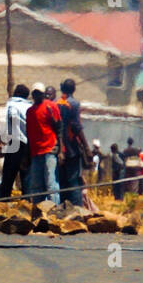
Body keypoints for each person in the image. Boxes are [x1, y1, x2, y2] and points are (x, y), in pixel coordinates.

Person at [26, 80, 63, 205]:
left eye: (39, 93)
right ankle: (38, 210)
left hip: (49, 149)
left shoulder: (50, 107)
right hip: (36, 152)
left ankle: (55, 211)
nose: (37, 95)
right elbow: (29, 132)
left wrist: (60, 149)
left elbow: (59, 128)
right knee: (36, 185)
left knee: (51, 184)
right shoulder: (30, 111)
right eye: (35, 93)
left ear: (43, 94)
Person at [56, 78, 91, 206]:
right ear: (74, 89)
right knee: (74, 180)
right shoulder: (74, 104)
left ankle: (63, 208)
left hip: (59, 148)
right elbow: (76, 127)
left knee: (62, 180)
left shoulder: (56, 103)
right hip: (71, 148)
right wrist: (86, 147)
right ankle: (76, 210)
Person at [0, 84, 30, 199]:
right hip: (27, 143)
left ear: (17, 93)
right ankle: (27, 201)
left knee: (8, 175)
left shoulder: (12, 104)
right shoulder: (29, 106)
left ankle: (4, 200)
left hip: (15, 141)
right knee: (25, 175)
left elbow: (12, 116)